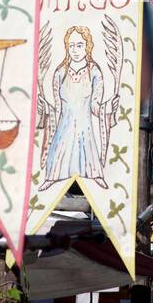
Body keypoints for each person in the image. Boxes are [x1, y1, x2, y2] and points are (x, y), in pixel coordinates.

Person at [39, 25, 108, 190]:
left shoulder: (95, 72)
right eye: (71, 46)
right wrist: (44, 108)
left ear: (87, 46)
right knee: (57, 159)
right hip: (64, 126)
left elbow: (95, 106)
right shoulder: (60, 72)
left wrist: (108, 107)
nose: (75, 50)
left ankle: (95, 174)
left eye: (79, 45)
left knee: (88, 159)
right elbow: (56, 107)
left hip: (85, 127)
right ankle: (51, 177)